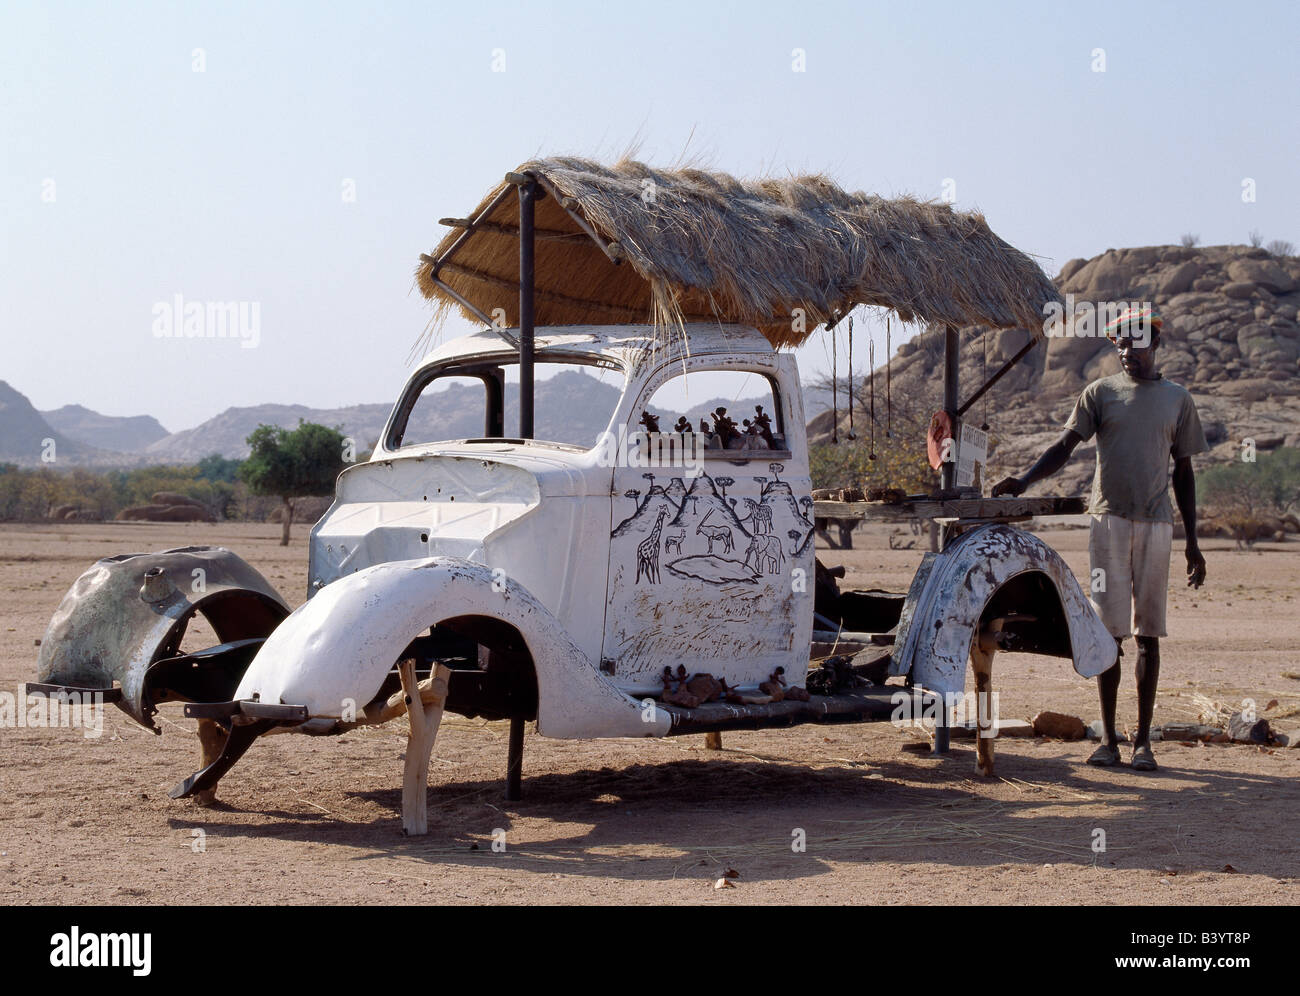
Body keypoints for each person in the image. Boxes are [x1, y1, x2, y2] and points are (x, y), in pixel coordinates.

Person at [992, 307, 1208, 771]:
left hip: (1155, 525)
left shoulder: (1177, 399)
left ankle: (1143, 744)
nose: (1130, 351)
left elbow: (1184, 473)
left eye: (1138, 343)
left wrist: (1193, 542)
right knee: (1108, 635)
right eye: (1122, 344)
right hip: (1107, 523)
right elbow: (1065, 447)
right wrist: (1026, 480)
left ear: (1156, 345)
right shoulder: (1101, 394)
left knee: (1148, 634)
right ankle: (1108, 741)